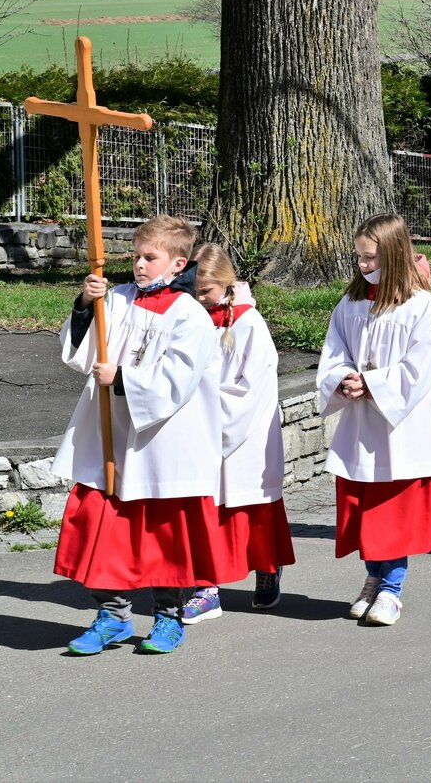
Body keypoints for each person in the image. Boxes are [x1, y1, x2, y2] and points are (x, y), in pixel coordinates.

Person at [53, 215, 237, 656]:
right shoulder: (115, 299)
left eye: (149, 257)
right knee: (107, 529)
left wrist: (121, 379)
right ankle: (112, 616)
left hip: (161, 443)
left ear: (177, 264)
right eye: (135, 256)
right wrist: (84, 302)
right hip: (111, 434)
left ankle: (168, 617)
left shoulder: (190, 315)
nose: (138, 264)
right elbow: (81, 354)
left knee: (162, 533)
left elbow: (179, 378)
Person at [319, 213, 431, 626]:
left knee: (392, 513)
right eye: (358, 257)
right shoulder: (352, 303)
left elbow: (421, 368)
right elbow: (334, 353)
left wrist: (374, 384)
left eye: (370, 257)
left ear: (394, 255)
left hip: (402, 429)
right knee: (365, 511)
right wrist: (343, 380)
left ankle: (392, 588)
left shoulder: (421, 308)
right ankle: (373, 578)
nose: (362, 265)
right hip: (363, 424)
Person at [180, 244, 293, 625]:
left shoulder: (248, 324)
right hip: (199, 429)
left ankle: (267, 568)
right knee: (205, 512)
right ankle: (206, 588)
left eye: (207, 292)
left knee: (252, 509)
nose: (199, 298)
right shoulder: (190, 320)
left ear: (226, 285)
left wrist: (212, 416)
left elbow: (255, 387)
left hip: (243, 432)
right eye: (195, 291)